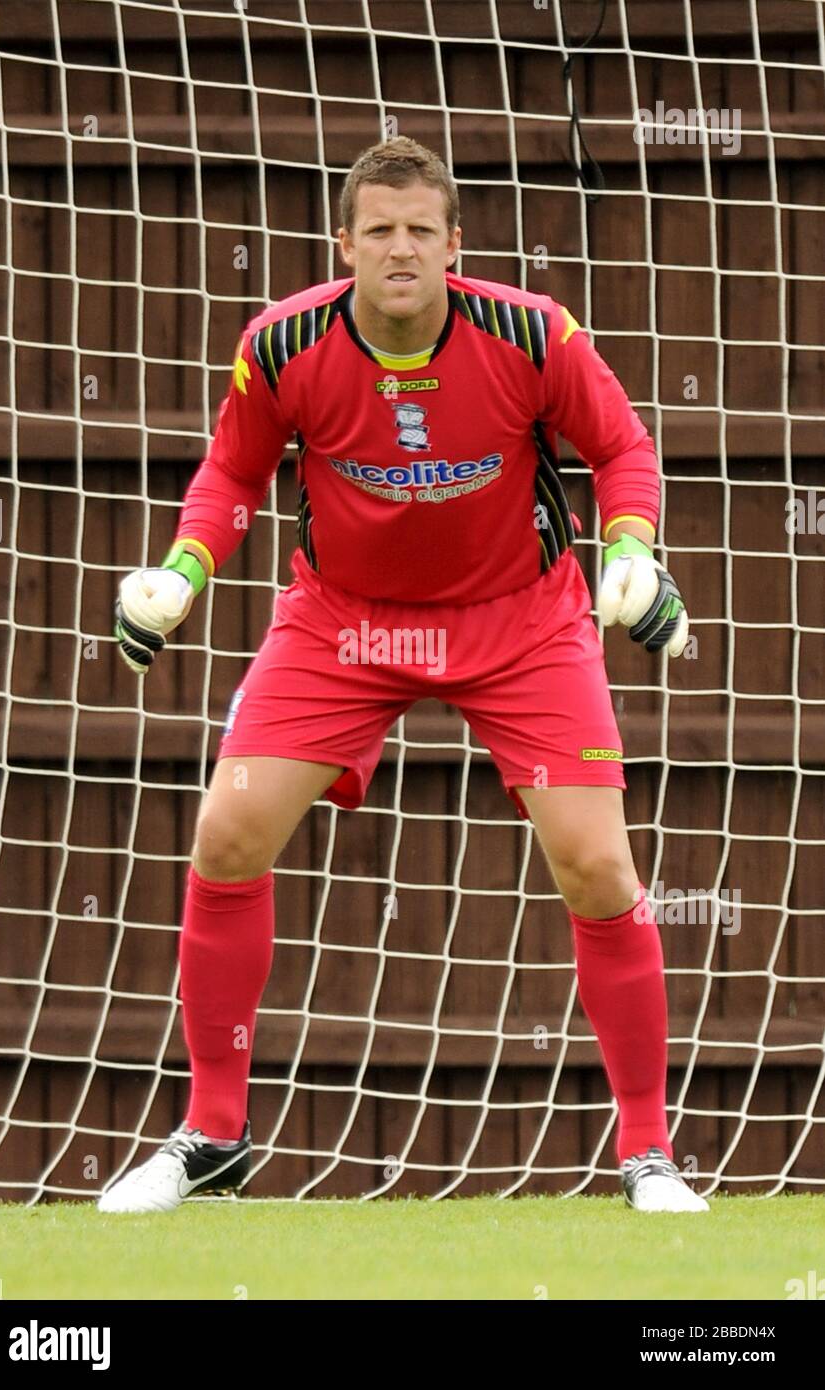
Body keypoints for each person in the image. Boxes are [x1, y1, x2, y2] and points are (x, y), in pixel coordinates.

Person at [100, 137, 707, 1214]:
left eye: (419, 230)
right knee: (226, 834)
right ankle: (211, 1131)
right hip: (341, 624)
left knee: (596, 869)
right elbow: (234, 470)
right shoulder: (280, 344)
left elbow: (622, 448)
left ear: (452, 244)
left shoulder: (531, 331)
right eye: (377, 229)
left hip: (521, 622)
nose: (399, 249)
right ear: (343, 243)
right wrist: (183, 570)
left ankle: (648, 1151)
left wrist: (627, 549)